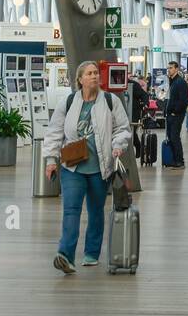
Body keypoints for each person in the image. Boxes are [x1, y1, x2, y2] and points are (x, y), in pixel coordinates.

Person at [42, 60, 132, 274]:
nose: (94, 76)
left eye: (95, 73)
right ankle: (65, 254)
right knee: (71, 210)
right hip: (72, 167)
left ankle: (91, 252)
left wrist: (119, 145)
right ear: (80, 79)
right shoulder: (69, 101)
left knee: (95, 211)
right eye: (89, 73)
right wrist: (50, 160)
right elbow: (55, 131)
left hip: (100, 168)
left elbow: (122, 128)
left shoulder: (111, 101)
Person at [164, 60, 188, 169]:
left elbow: (183, 100)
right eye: (168, 68)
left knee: (175, 137)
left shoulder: (180, 82)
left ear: (176, 69)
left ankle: (180, 161)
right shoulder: (172, 81)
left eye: (171, 68)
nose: (169, 70)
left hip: (176, 115)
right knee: (171, 136)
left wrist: (175, 111)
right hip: (170, 114)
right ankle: (174, 160)